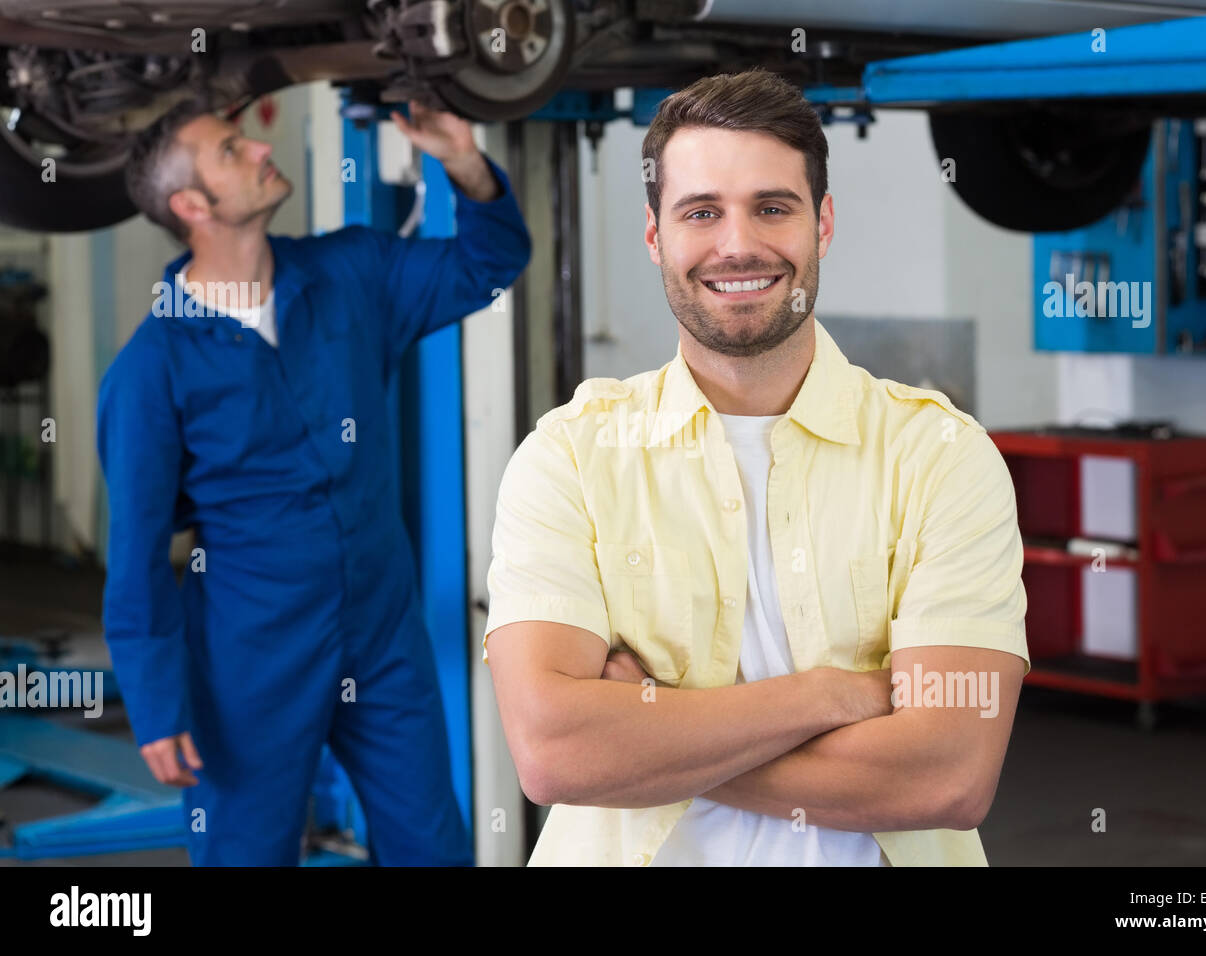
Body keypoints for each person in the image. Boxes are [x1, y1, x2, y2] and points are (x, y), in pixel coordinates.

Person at [482, 68, 1029, 867]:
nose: (737, 244)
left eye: (772, 207)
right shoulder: (569, 458)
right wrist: (828, 697)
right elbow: (557, 755)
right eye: (701, 212)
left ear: (824, 223)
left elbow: (947, 774)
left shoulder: (940, 458)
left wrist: (655, 726)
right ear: (654, 235)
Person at [96, 98, 530, 865]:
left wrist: (461, 157)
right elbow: (135, 558)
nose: (262, 150)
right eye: (233, 150)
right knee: (247, 854)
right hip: (248, 658)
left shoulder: (350, 273)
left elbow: (486, 265)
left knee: (432, 844)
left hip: (383, 635)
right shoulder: (151, 368)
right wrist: (158, 705)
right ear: (192, 206)